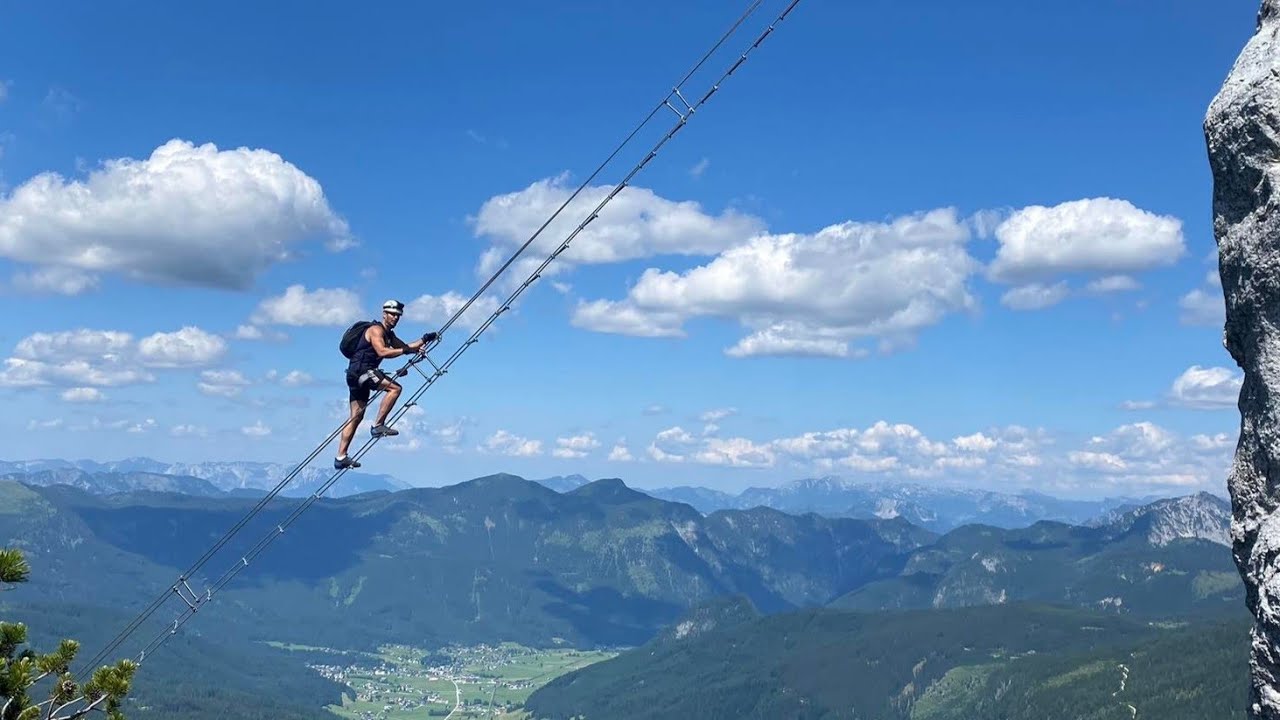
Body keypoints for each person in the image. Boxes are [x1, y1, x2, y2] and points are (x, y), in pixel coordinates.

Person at [335, 300, 439, 469]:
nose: (395, 318)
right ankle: (377, 426)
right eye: (392, 314)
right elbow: (382, 351)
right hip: (362, 372)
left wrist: (425, 339)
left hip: (356, 375)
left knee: (357, 416)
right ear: (384, 314)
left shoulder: (389, 335)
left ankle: (340, 457)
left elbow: (406, 347)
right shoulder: (376, 330)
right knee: (395, 388)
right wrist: (405, 350)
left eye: (398, 315)